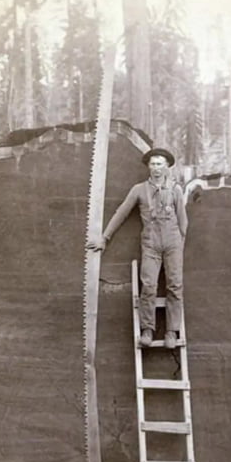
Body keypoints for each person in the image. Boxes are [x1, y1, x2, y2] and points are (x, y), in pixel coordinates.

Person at [88, 147, 188, 349]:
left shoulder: (176, 190)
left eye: (160, 163)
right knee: (148, 286)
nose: (156, 168)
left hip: (173, 243)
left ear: (167, 166)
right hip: (150, 244)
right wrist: (104, 238)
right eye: (152, 164)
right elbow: (121, 213)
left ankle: (171, 331)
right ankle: (148, 330)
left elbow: (183, 222)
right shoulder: (139, 190)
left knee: (175, 286)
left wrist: (179, 247)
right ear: (148, 167)